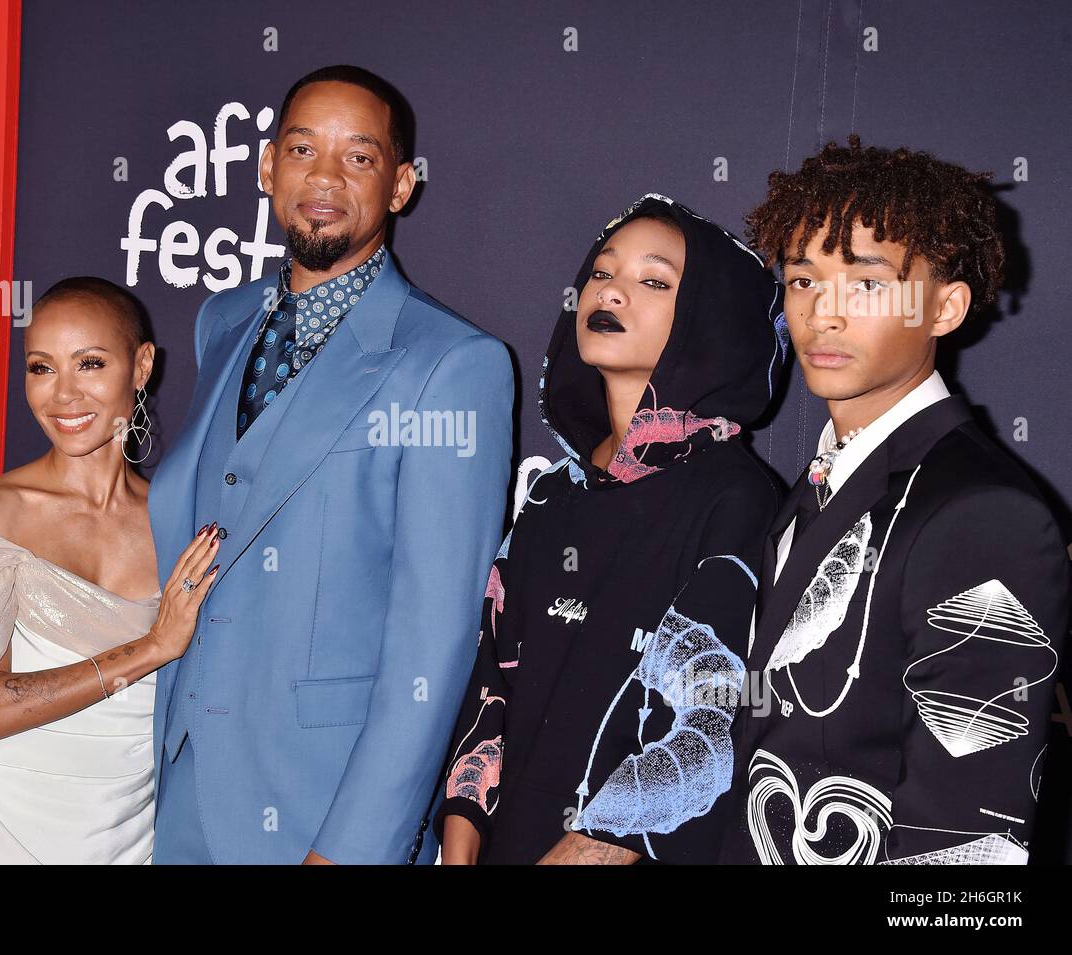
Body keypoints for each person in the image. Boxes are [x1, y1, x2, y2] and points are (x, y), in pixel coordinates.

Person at [148, 65, 514, 865]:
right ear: (266, 165)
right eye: (304, 148)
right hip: (182, 794)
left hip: (321, 813)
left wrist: (351, 850)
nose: (324, 176)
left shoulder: (453, 364)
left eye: (359, 157)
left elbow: (435, 641)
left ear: (401, 185)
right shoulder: (223, 319)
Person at [719, 136, 1069, 865]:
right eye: (804, 280)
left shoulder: (984, 514)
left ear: (945, 308)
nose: (824, 313)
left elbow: (969, 849)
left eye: (867, 284)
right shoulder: (814, 486)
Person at [433, 193, 786, 864]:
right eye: (602, 272)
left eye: (653, 280)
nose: (614, 292)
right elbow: (490, 687)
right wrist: (459, 847)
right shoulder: (551, 495)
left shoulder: (735, 498)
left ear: (710, 322)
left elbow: (714, 717)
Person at [0, 277, 219, 864]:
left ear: (142, 366)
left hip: (129, 839)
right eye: (41, 368)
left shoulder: (183, 526)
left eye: (91, 364)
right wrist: (151, 648)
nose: (64, 395)